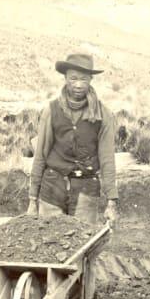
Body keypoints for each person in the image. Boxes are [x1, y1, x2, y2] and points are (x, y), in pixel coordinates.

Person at [28, 53, 118, 224]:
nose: (78, 84)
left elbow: (107, 159)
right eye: (73, 78)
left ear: (91, 80)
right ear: (65, 78)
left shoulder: (103, 114)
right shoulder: (51, 110)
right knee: (49, 236)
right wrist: (33, 199)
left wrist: (111, 201)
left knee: (83, 236)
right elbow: (40, 154)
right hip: (52, 188)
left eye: (83, 79)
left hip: (86, 190)